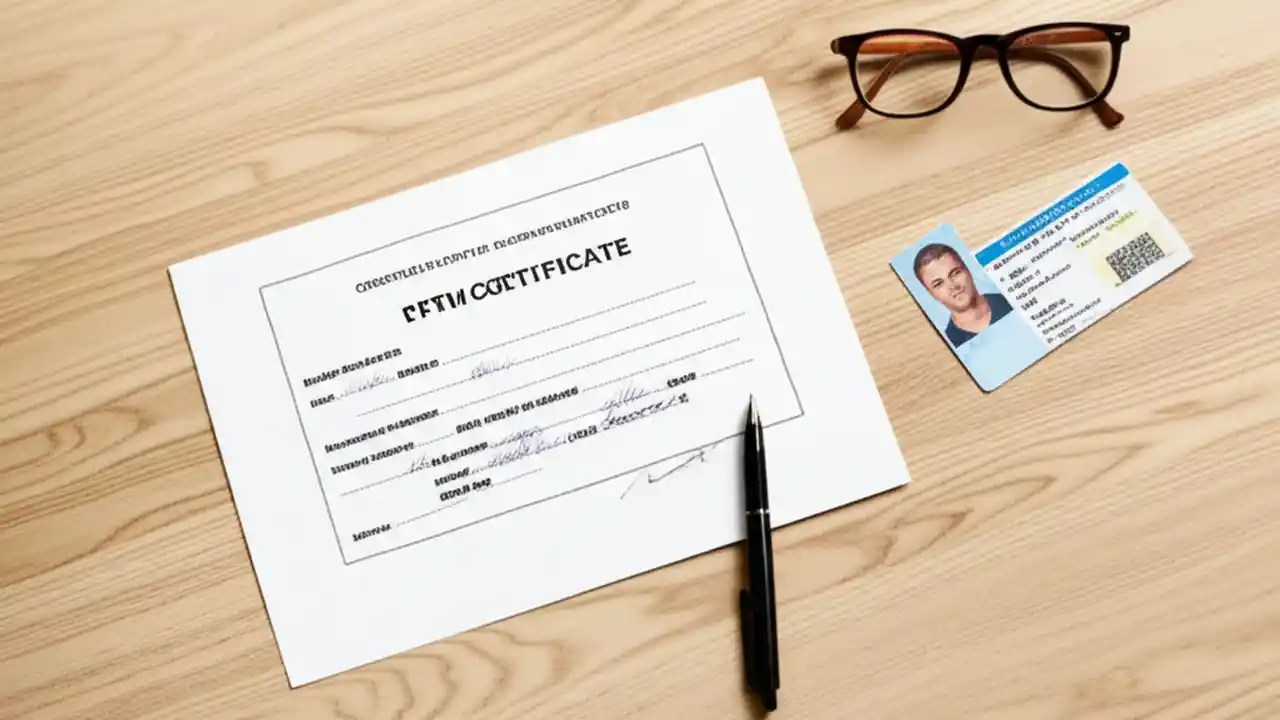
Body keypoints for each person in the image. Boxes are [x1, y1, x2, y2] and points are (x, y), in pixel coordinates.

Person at [913, 243, 1012, 348]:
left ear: (968, 271)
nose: (953, 286)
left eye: (955, 273)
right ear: (931, 293)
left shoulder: (1009, 300)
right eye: (939, 284)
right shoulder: (951, 343)